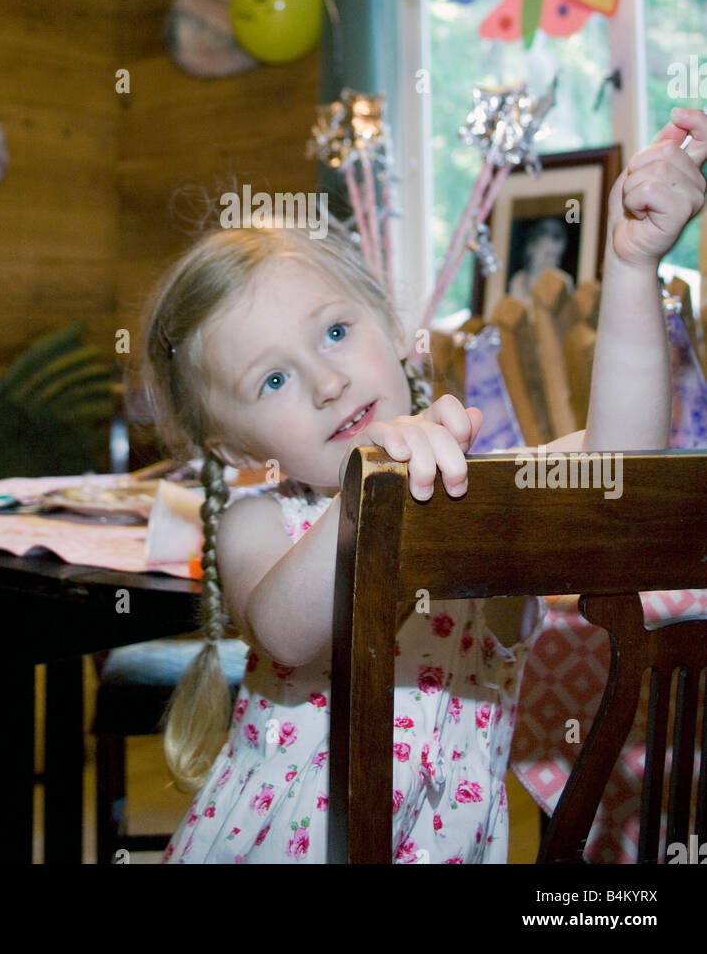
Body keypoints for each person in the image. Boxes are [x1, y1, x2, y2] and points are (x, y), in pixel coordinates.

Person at [140, 106, 707, 864]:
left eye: (336, 332)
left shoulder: (482, 488)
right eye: (273, 378)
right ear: (232, 442)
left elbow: (620, 467)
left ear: (389, 323)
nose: (327, 382)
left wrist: (634, 265)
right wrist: (373, 485)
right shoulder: (260, 526)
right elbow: (286, 630)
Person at [507, 215, 571, 302]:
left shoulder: (564, 280)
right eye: (547, 255)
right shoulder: (518, 280)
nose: (551, 262)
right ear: (530, 248)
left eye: (555, 257)